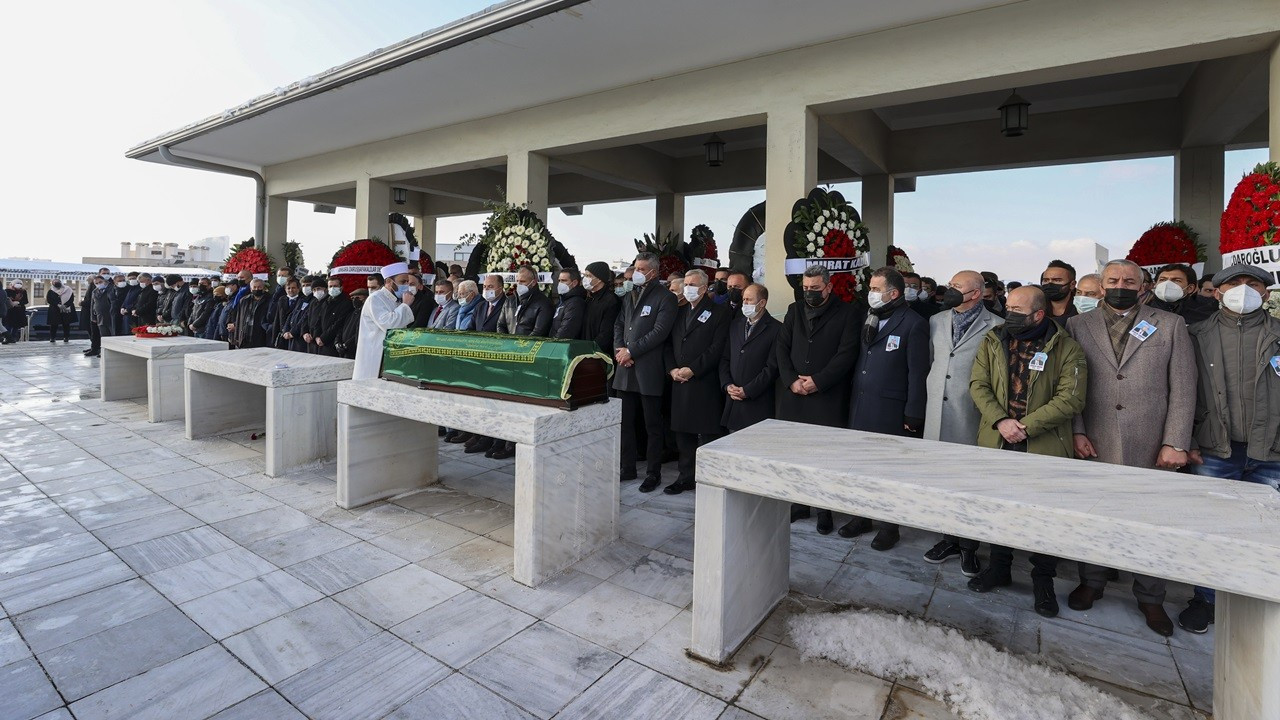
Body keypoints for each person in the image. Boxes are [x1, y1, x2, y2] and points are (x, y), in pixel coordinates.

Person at [1066, 259, 1195, 637]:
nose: (1120, 285)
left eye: (1129, 280)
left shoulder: (1169, 324)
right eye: (1112, 280)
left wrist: (1176, 441)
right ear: (1101, 285)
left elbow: (1184, 387)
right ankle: (1092, 579)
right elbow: (1070, 384)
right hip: (1096, 438)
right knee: (1094, 517)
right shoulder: (1078, 324)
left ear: (1143, 286)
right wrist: (1076, 430)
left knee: (1150, 522)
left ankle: (1151, 597)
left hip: (1151, 441)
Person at [968, 285, 1088, 618]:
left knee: (1042, 516)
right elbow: (978, 385)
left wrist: (1025, 426)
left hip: (1043, 445)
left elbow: (1071, 398)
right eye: (1008, 307)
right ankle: (999, 567)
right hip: (998, 440)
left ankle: (1042, 579)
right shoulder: (994, 339)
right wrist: (1001, 421)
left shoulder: (1066, 348)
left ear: (1038, 314)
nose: (1009, 313)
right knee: (997, 508)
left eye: (1017, 309)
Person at [1177, 264, 1280, 633]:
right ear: (1216, 292)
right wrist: (1185, 440)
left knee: (1266, 532)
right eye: (1233, 283)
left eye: (1252, 284)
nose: (1243, 290)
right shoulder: (1193, 334)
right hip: (1214, 450)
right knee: (1213, 529)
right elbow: (1179, 393)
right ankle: (1206, 599)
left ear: (1266, 293)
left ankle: (1256, 600)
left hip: (1272, 452)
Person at [921, 270, 1003, 576]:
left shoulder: (996, 326)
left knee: (970, 484)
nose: (950, 289)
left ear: (976, 294)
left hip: (971, 416)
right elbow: (932, 363)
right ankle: (948, 539)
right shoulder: (936, 321)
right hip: (936, 414)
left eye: (958, 287)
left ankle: (970, 547)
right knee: (942, 483)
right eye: (951, 284)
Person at [841, 267, 929, 549]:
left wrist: (913, 412)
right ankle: (861, 517)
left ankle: (890, 526)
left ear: (894, 293)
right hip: (862, 403)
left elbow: (917, 372)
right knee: (861, 466)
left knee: (889, 470)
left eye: (877, 289)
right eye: (871, 288)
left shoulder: (913, 323)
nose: (871, 293)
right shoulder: (870, 316)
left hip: (891, 408)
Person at [778, 266, 862, 532]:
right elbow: (782, 347)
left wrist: (818, 381)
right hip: (794, 395)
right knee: (795, 454)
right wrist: (791, 380)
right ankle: (799, 504)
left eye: (815, 288)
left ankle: (824, 509)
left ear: (828, 287)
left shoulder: (848, 313)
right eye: (805, 289)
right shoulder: (794, 310)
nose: (809, 293)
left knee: (824, 457)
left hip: (826, 395)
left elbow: (846, 354)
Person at [662, 269, 730, 495]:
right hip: (679, 380)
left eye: (692, 284)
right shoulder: (679, 312)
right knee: (683, 433)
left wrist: (693, 369)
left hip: (704, 381)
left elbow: (717, 348)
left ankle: (712, 478)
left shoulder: (719, 313)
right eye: (686, 284)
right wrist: (672, 369)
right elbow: (669, 344)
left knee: (709, 432)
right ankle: (685, 477)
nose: (687, 288)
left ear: (703, 287)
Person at [614, 252, 678, 491]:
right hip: (626, 369)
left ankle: (653, 472)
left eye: (641, 268)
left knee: (652, 425)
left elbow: (659, 333)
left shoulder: (665, 298)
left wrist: (631, 351)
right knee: (626, 422)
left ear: (653, 271)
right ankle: (627, 467)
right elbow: (619, 323)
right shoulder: (630, 294)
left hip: (648, 370)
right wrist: (620, 349)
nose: (637, 272)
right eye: (635, 267)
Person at [720, 282, 780, 433]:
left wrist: (748, 390)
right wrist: (727, 385)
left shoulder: (777, 329)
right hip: (733, 403)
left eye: (749, 300)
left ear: (762, 303)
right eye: (744, 299)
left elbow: (772, 368)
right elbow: (725, 358)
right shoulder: (735, 325)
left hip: (758, 404)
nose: (744, 303)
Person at [353, 262, 417, 380]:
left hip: (392, 355)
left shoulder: (396, 299)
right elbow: (389, 325)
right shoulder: (375, 298)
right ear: (389, 282)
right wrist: (405, 305)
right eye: (403, 282)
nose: (407, 285)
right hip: (377, 355)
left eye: (407, 281)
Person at [1148, 263, 1217, 325]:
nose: (1167, 284)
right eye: (1162, 280)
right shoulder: (1143, 311)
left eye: (1176, 280)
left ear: (1190, 288)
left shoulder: (1204, 315)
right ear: (1155, 285)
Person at [497, 266, 553, 337]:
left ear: (533, 282)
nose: (519, 284)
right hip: (508, 345)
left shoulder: (544, 303)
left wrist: (521, 345)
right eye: (517, 281)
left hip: (528, 346)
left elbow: (538, 332)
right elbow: (500, 325)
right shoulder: (510, 300)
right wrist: (506, 341)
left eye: (522, 281)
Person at [581, 262, 619, 355]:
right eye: (585, 275)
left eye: (588, 275)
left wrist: (591, 350)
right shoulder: (590, 298)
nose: (585, 279)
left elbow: (606, 333)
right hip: (585, 350)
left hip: (598, 354)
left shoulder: (611, 301)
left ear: (599, 279)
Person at [316, 277, 354, 356]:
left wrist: (324, 338)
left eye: (335, 286)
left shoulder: (346, 303)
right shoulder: (326, 302)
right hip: (321, 343)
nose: (332, 288)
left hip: (334, 344)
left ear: (341, 288)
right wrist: (317, 336)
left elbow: (339, 323)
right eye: (330, 286)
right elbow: (319, 320)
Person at [233, 278, 273, 348]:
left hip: (260, 337)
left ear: (263, 288)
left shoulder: (270, 300)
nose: (257, 289)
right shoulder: (244, 300)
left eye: (259, 287)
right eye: (254, 287)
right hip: (244, 337)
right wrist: (237, 337)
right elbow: (239, 318)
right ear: (251, 289)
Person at [551, 267, 587, 339]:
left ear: (574, 283)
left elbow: (566, 331)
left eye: (564, 280)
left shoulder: (576, 303)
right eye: (559, 280)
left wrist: (553, 343)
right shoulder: (563, 300)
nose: (560, 283)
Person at [335, 289, 368, 359]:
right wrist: (337, 342)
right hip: (345, 353)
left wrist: (346, 345)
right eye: (353, 298)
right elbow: (342, 329)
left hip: (355, 351)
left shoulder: (365, 314)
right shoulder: (351, 313)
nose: (355, 300)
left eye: (358, 298)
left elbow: (359, 332)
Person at [281, 279, 312, 353]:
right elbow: (291, 315)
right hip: (292, 338)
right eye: (303, 285)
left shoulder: (313, 301)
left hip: (300, 337)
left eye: (308, 285)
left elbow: (305, 318)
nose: (305, 287)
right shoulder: (302, 300)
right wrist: (285, 330)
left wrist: (293, 332)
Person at [273, 278, 303, 349]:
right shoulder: (282, 299)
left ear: (298, 289)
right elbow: (277, 318)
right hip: (283, 334)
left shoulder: (302, 300)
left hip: (295, 336)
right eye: (288, 288)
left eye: (293, 288)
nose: (291, 290)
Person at [302, 279, 328, 353]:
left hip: (321, 339)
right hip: (310, 339)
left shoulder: (327, 302)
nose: (316, 291)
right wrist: (305, 332)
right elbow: (306, 317)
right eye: (314, 289)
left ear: (325, 289)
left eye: (319, 288)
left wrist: (317, 336)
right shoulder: (313, 302)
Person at [45, 278, 75, 343]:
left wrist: (65, 306)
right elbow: (49, 300)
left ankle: (66, 337)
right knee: (54, 324)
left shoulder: (68, 289)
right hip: (55, 310)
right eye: (55, 282)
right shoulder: (51, 291)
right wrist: (58, 305)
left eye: (58, 282)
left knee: (66, 324)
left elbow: (71, 299)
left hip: (66, 309)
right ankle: (52, 337)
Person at [91, 274, 114, 340]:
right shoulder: (95, 291)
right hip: (100, 317)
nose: (98, 284)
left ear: (104, 281)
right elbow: (93, 304)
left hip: (110, 316)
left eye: (100, 282)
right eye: (96, 283)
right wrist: (93, 317)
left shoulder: (111, 288)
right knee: (104, 337)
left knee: (113, 335)